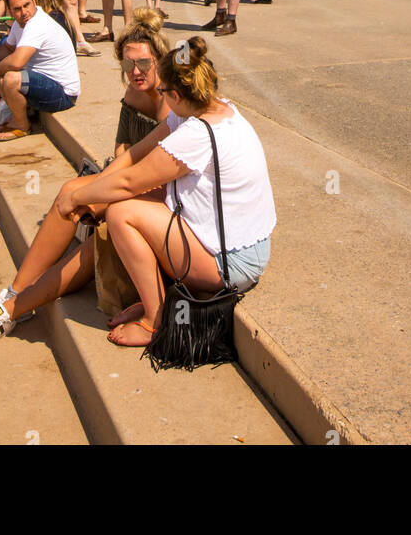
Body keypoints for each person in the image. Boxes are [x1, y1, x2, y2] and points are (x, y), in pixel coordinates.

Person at [0, 12, 171, 351]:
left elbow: (158, 174)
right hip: (137, 186)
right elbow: (122, 149)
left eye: (144, 63)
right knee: (79, 209)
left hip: (162, 198)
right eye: (128, 65)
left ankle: (11, 307)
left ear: (159, 60)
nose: (136, 72)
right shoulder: (134, 92)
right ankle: (14, 297)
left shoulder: (168, 101)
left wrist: (107, 189)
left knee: (83, 222)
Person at [57, 35, 275, 347]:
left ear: (175, 94)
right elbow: (136, 155)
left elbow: (129, 181)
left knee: (121, 212)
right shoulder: (217, 108)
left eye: (163, 92)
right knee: (138, 202)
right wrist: (96, 185)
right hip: (249, 246)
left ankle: (153, 320)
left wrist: (76, 196)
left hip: (233, 264)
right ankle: (152, 294)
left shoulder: (198, 133)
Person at [0, 0, 80, 142]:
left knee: (11, 78)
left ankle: (21, 126)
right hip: (42, 83)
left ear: (34, 1)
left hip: (63, 93)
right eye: (17, 9)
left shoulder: (37, 24)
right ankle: (18, 117)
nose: (24, 12)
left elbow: (16, 62)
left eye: (26, 5)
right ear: (10, 11)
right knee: (2, 75)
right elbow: (8, 47)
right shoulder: (19, 24)